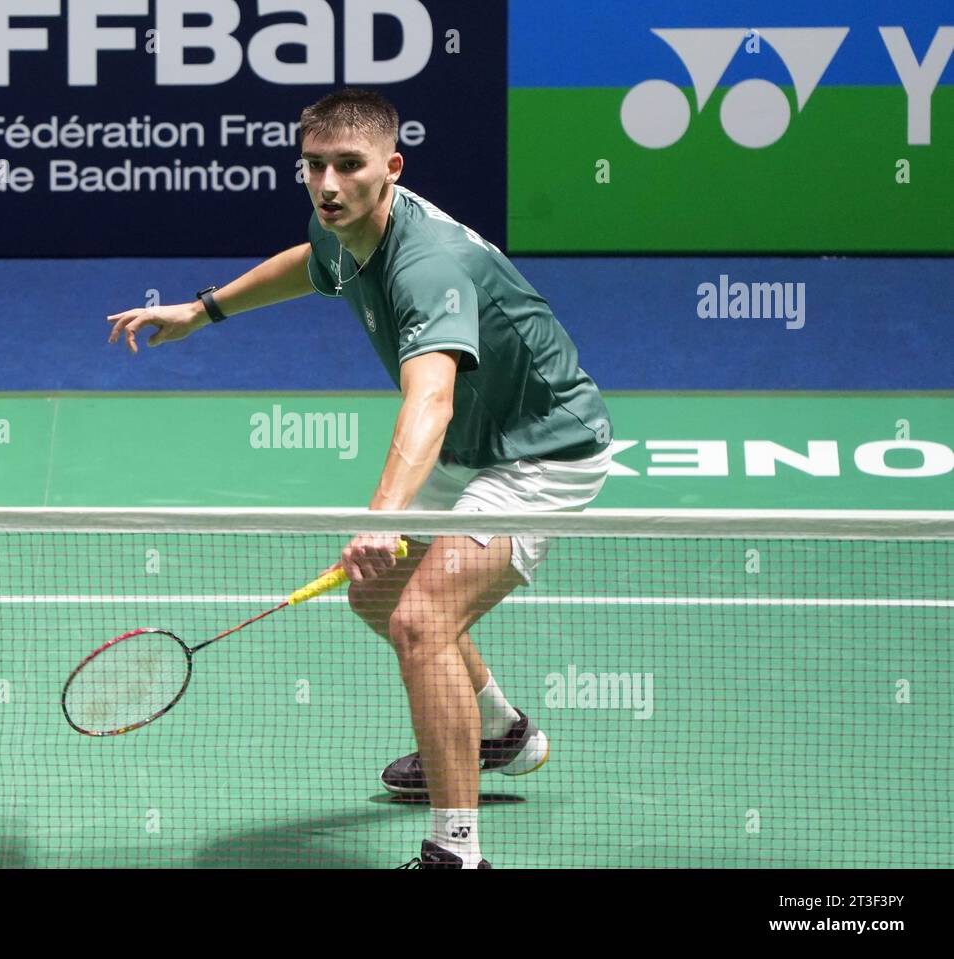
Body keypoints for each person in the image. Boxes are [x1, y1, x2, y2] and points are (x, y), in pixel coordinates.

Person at [107, 88, 613, 869]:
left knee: (421, 621)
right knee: (376, 594)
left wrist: (383, 514)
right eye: (315, 166)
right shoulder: (343, 221)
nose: (329, 184)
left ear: (392, 168)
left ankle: (457, 854)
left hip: (537, 453)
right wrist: (202, 310)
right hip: (471, 446)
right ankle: (500, 733)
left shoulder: (427, 264)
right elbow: (313, 265)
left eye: (349, 166)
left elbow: (432, 398)